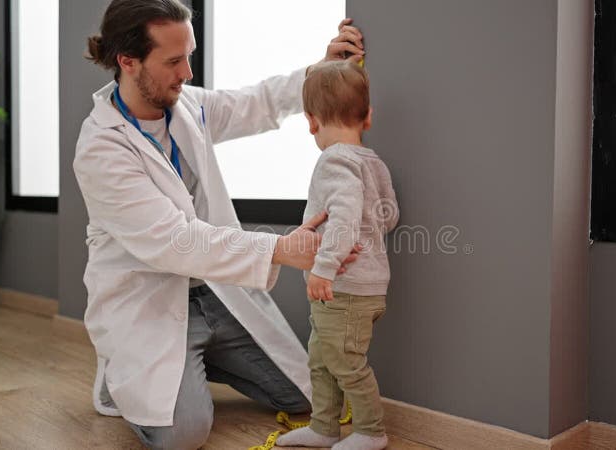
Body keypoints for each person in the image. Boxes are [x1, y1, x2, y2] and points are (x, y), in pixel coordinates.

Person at [72, 0, 365, 448]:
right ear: (128, 61)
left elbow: (256, 103)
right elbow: (175, 241)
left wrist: (320, 71)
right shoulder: (100, 148)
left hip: (212, 293)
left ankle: (194, 362)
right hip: (150, 301)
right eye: (173, 61)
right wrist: (281, 249)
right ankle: (124, 373)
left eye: (188, 55)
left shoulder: (187, 105)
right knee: (183, 435)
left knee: (307, 396)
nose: (187, 72)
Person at [276, 61, 399, 450]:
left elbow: (344, 217)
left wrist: (324, 268)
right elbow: (390, 216)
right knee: (322, 358)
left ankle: (371, 431)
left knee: (344, 362)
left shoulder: (334, 160)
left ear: (312, 122)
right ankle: (324, 427)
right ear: (368, 117)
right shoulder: (372, 162)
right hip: (365, 287)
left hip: (342, 287)